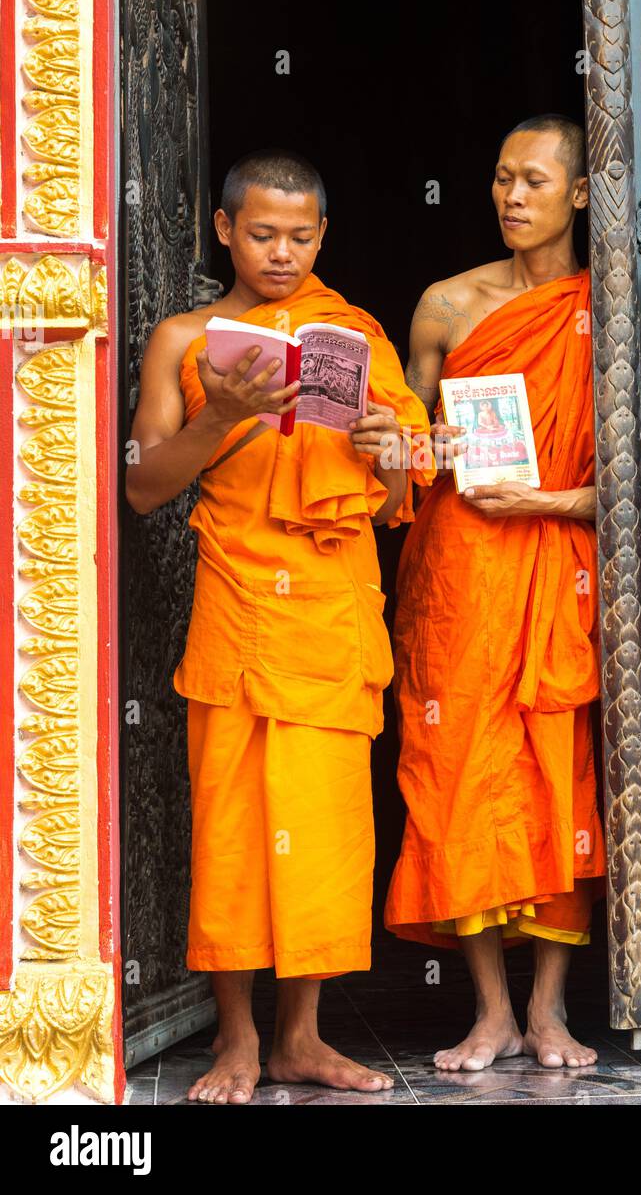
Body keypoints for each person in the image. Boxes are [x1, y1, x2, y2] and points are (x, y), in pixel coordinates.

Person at [126, 149, 433, 1103]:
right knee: (233, 824)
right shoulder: (183, 335)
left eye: (302, 237)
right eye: (262, 234)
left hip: (333, 603)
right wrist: (218, 415)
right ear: (224, 230)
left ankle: (300, 1035)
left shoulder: (356, 336)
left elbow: (394, 501)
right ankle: (236, 1041)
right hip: (238, 600)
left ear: (324, 239)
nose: (282, 253)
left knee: (323, 825)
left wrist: (388, 455)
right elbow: (142, 486)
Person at [385, 115, 606, 1072]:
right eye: (501, 180)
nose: (512, 197)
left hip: (560, 561)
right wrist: (409, 450)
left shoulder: (608, 312)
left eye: (534, 181)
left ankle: (550, 1010)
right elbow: (401, 460)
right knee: (456, 774)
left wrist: (545, 498)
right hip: (458, 575)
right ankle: (488, 1010)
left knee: (563, 778)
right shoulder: (446, 306)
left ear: (582, 193)